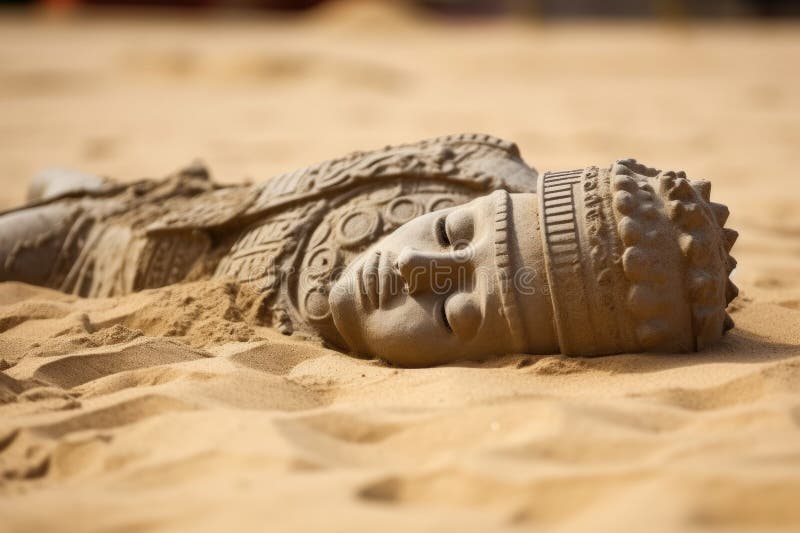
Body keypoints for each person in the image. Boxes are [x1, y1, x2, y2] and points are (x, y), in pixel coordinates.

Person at [0, 134, 738, 366]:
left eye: (455, 311)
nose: (414, 267)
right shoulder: (470, 174)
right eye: (452, 234)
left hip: (98, 258)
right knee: (66, 196)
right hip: (149, 211)